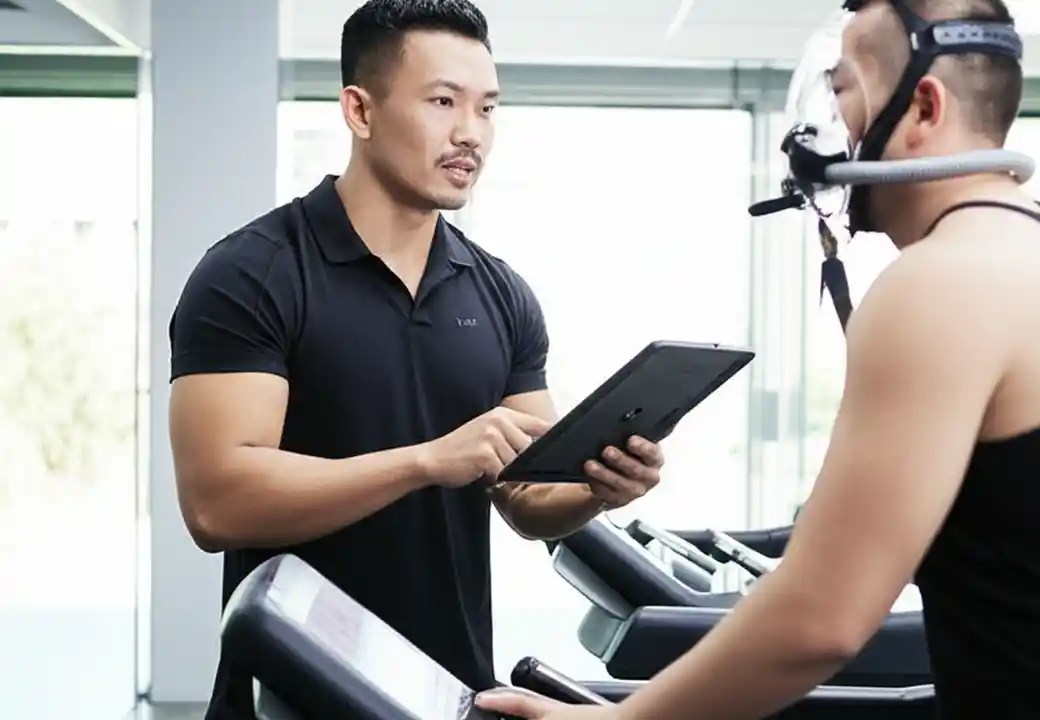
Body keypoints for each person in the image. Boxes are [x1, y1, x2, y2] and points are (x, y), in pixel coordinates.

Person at [476, 1, 1040, 719]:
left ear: (926, 108)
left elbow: (819, 622)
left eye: (843, 90)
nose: (825, 124)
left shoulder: (939, 281)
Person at [167, 1, 666, 718]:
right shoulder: (251, 275)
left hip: (448, 695)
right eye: (442, 102)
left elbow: (528, 497)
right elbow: (218, 502)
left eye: (487, 108)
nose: (471, 133)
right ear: (359, 111)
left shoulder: (500, 293)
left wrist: (600, 485)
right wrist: (425, 461)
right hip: (289, 692)